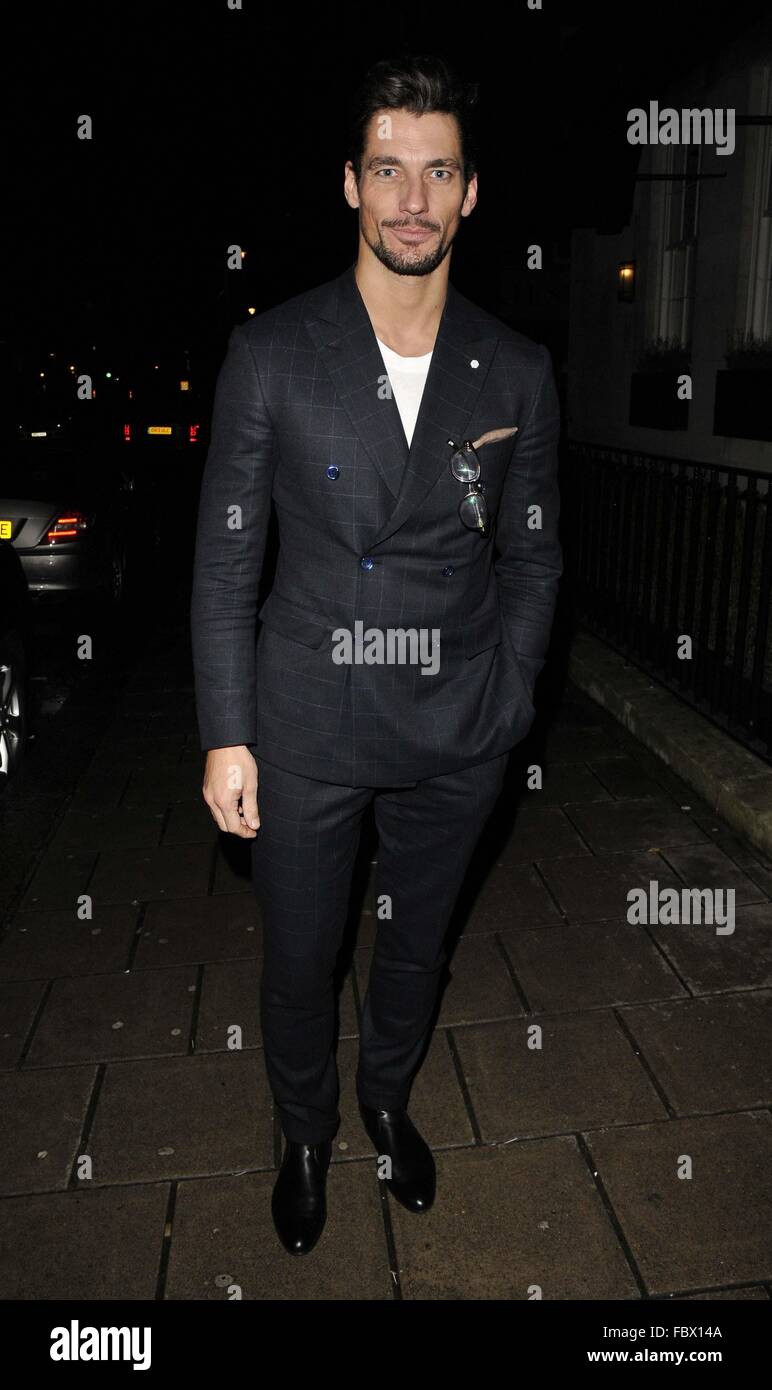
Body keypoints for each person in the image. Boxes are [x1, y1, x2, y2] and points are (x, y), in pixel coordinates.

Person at [190, 51, 562, 1256]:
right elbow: (225, 561)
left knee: (415, 946)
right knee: (302, 957)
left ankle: (385, 1102)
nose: (413, 198)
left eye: (437, 172)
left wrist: (510, 698)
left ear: (469, 194)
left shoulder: (514, 366)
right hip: (305, 725)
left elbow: (536, 553)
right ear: (351, 184)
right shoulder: (275, 353)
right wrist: (226, 731)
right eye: (389, 170)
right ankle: (304, 1134)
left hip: (459, 725)